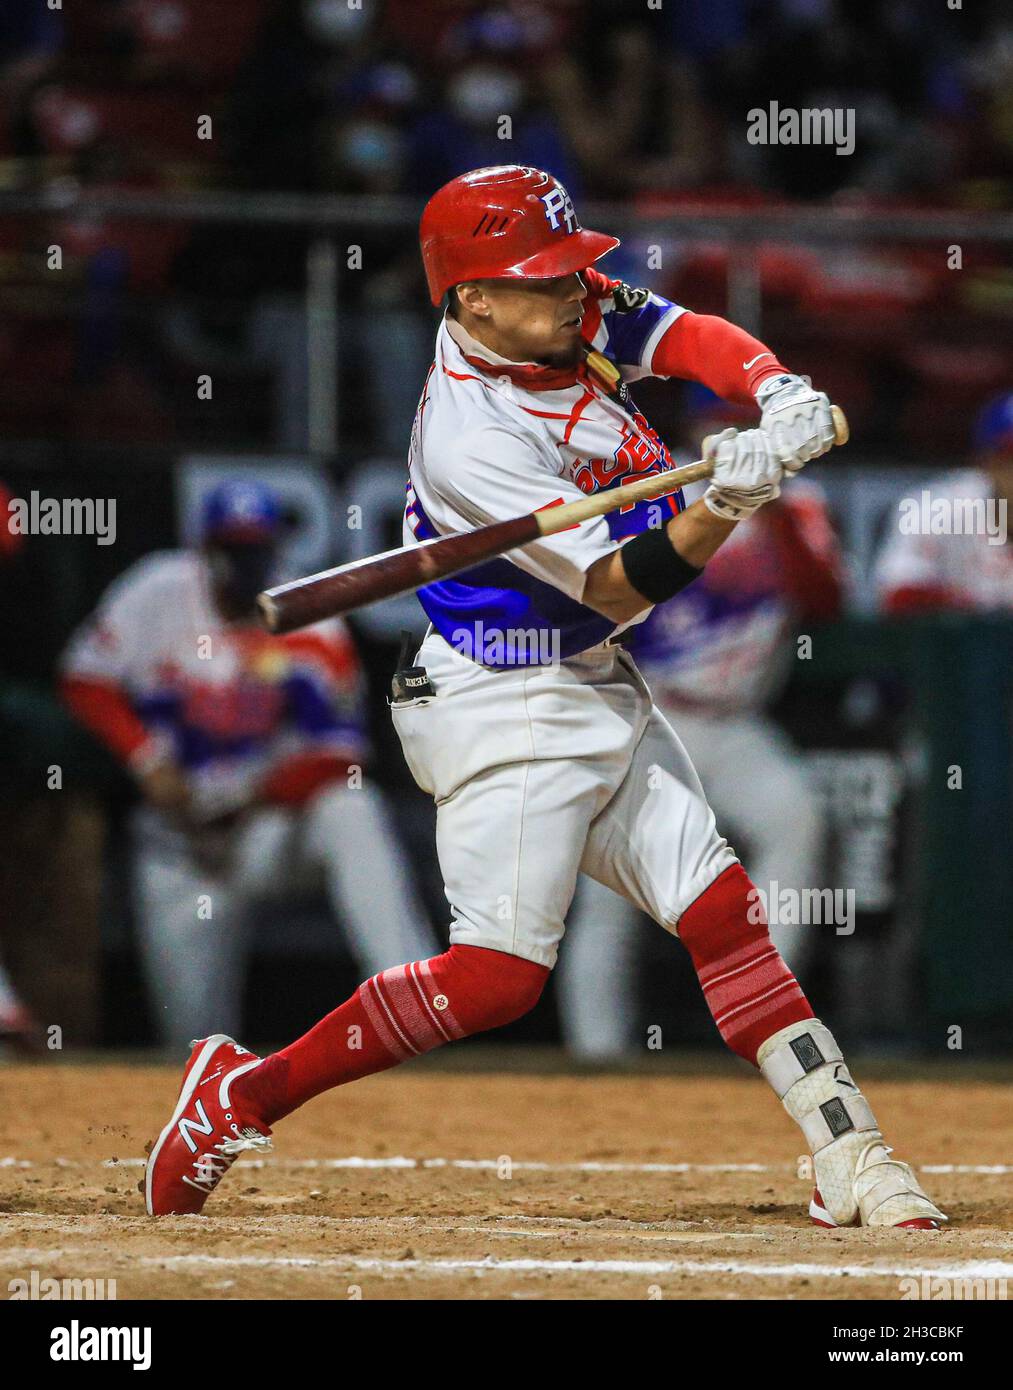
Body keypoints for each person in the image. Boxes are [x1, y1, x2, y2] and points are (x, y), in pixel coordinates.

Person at [144, 166, 944, 1232]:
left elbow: (681, 333)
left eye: (574, 274)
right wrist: (725, 502)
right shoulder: (472, 438)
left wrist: (775, 388)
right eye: (542, 282)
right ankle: (240, 1093)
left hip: (591, 673)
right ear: (470, 297)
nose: (575, 296)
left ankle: (848, 1152)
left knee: (719, 910)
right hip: (503, 698)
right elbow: (622, 584)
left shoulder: (548, 313)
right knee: (494, 980)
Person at [61, 479, 438, 1048]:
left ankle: (415, 1005)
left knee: (352, 810)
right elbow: (85, 678)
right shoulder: (158, 591)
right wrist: (147, 759)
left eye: (258, 548)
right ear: (204, 550)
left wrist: (248, 799)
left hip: (267, 832)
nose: (247, 562)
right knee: (192, 1042)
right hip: (179, 845)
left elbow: (338, 758)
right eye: (233, 549)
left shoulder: (309, 609)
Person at [559, 403, 844, 1058]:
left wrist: (768, 507)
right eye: (721, 423)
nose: (736, 435)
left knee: (796, 819)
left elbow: (824, 599)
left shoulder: (797, 507)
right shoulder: (651, 494)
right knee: (610, 889)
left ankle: (768, 1028)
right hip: (648, 719)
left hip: (738, 725)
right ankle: (594, 1058)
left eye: (747, 422)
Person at [875, 391, 1013, 615]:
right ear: (987, 462)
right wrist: (980, 608)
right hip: (952, 647)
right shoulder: (937, 509)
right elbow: (898, 596)